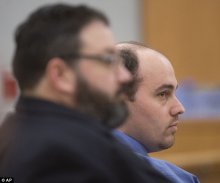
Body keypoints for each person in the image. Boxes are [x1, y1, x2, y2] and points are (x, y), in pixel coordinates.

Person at [0, 4, 171, 183]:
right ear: (60, 74)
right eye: (108, 60)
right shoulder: (74, 158)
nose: (124, 76)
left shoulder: (12, 135)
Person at [113, 41, 200, 182]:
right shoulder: (173, 179)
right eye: (163, 94)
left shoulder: (70, 159)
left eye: (174, 93)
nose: (179, 108)